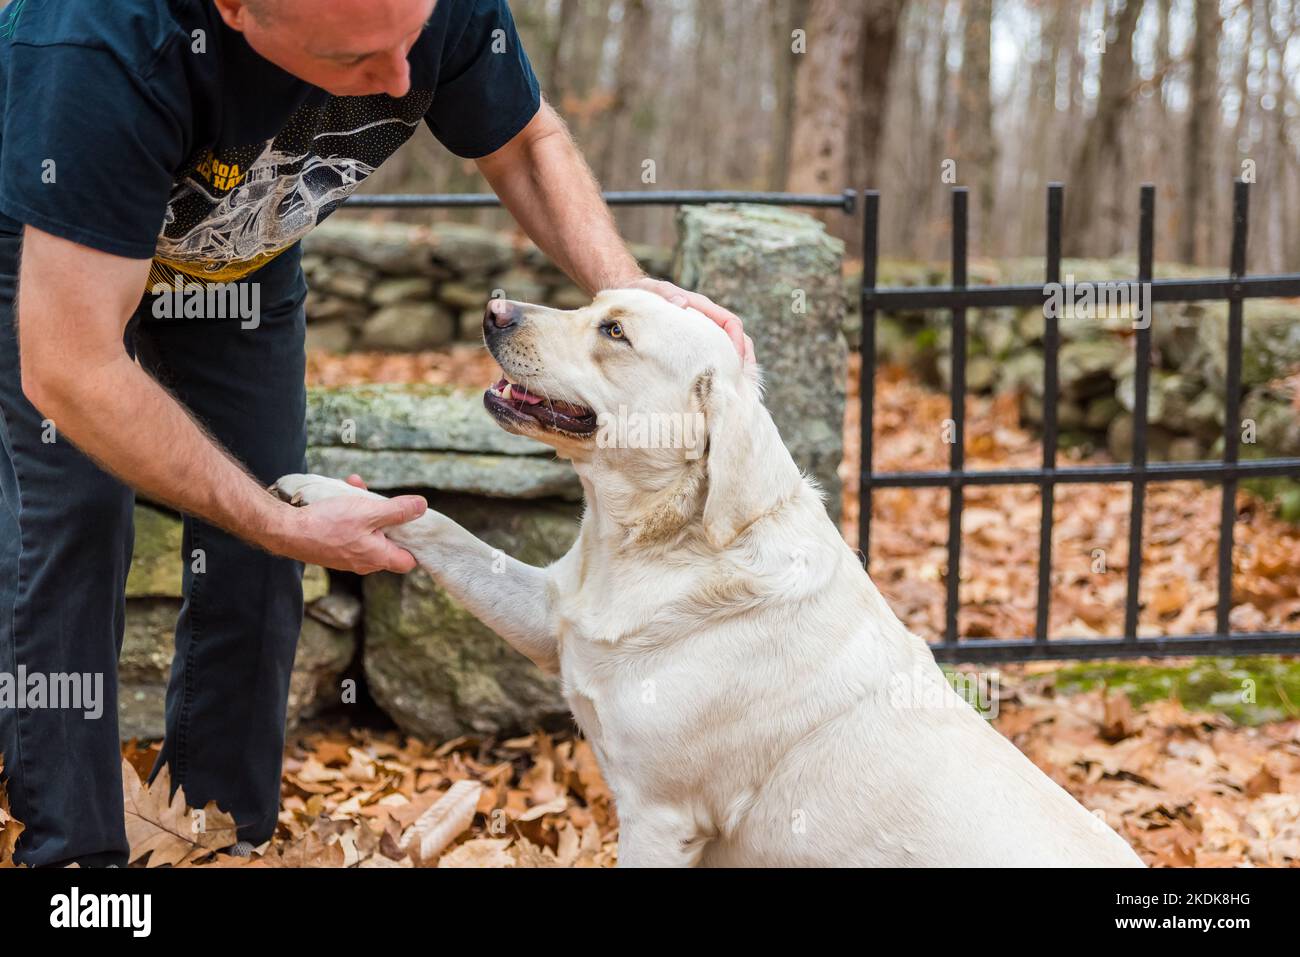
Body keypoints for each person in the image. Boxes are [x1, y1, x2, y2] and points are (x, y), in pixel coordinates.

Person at [0, 0, 746, 868]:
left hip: (238, 257)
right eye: (361, 56)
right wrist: (280, 523)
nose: (402, 80)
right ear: (237, 10)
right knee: (76, 519)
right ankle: (74, 873)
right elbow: (73, 366)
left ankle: (219, 832)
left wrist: (636, 301)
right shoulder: (96, 44)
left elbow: (526, 140)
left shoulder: (437, 10)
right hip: (57, 244)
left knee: (267, 525)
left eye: (412, 38)